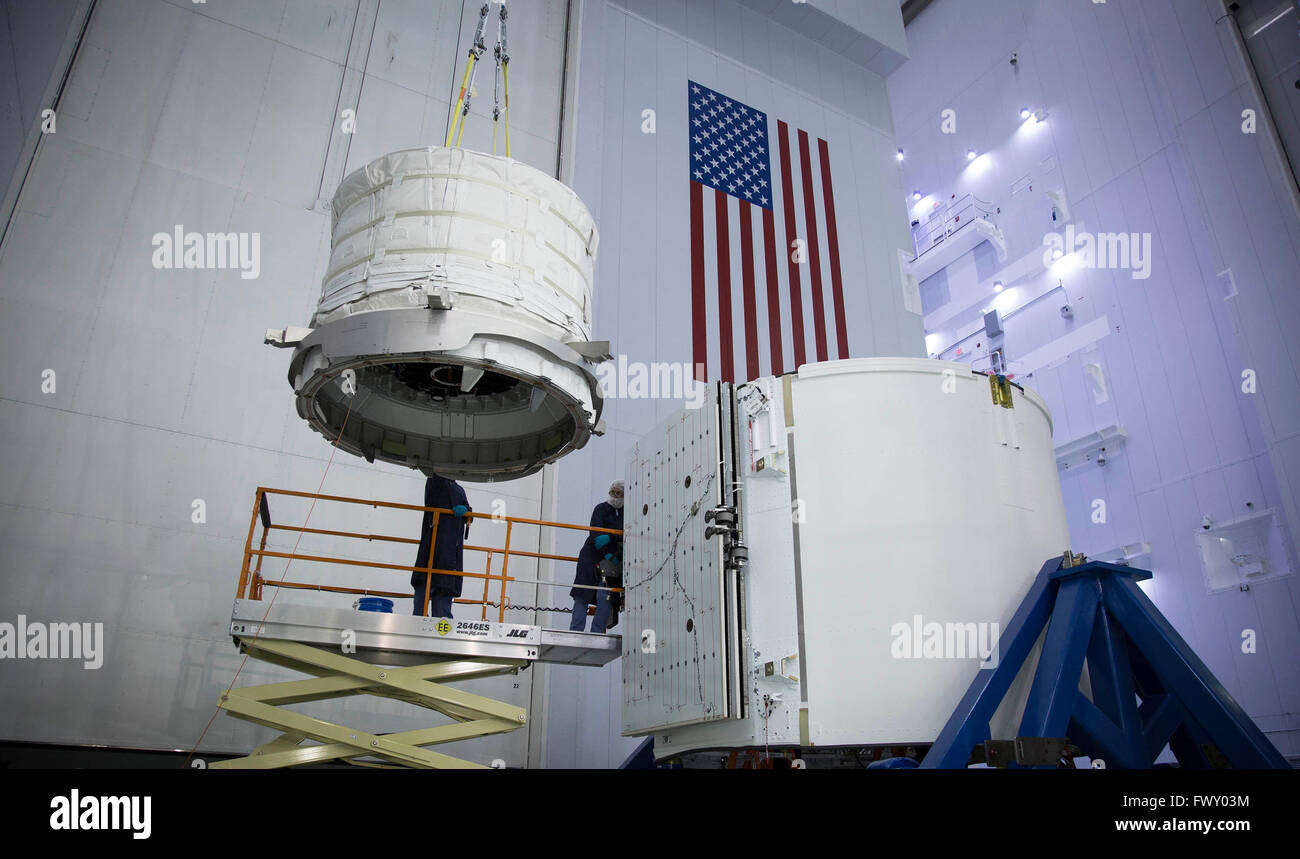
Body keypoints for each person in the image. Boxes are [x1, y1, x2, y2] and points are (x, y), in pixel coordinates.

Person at [411, 472, 471, 618]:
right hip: (434, 546)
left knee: (443, 592)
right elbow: (432, 498)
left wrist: (467, 512)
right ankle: (419, 624)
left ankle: (440, 627)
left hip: (450, 551)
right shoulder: (435, 483)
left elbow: (468, 512)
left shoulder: (458, 489)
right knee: (424, 590)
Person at [570, 480, 624, 633]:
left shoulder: (627, 513)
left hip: (613, 559)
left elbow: (625, 534)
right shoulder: (600, 509)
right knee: (582, 594)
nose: (615, 495)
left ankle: (597, 631)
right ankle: (575, 631)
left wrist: (610, 538)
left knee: (605, 596)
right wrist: (608, 550)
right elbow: (596, 536)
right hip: (592, 556)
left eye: (619, 493)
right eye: (613, 492)